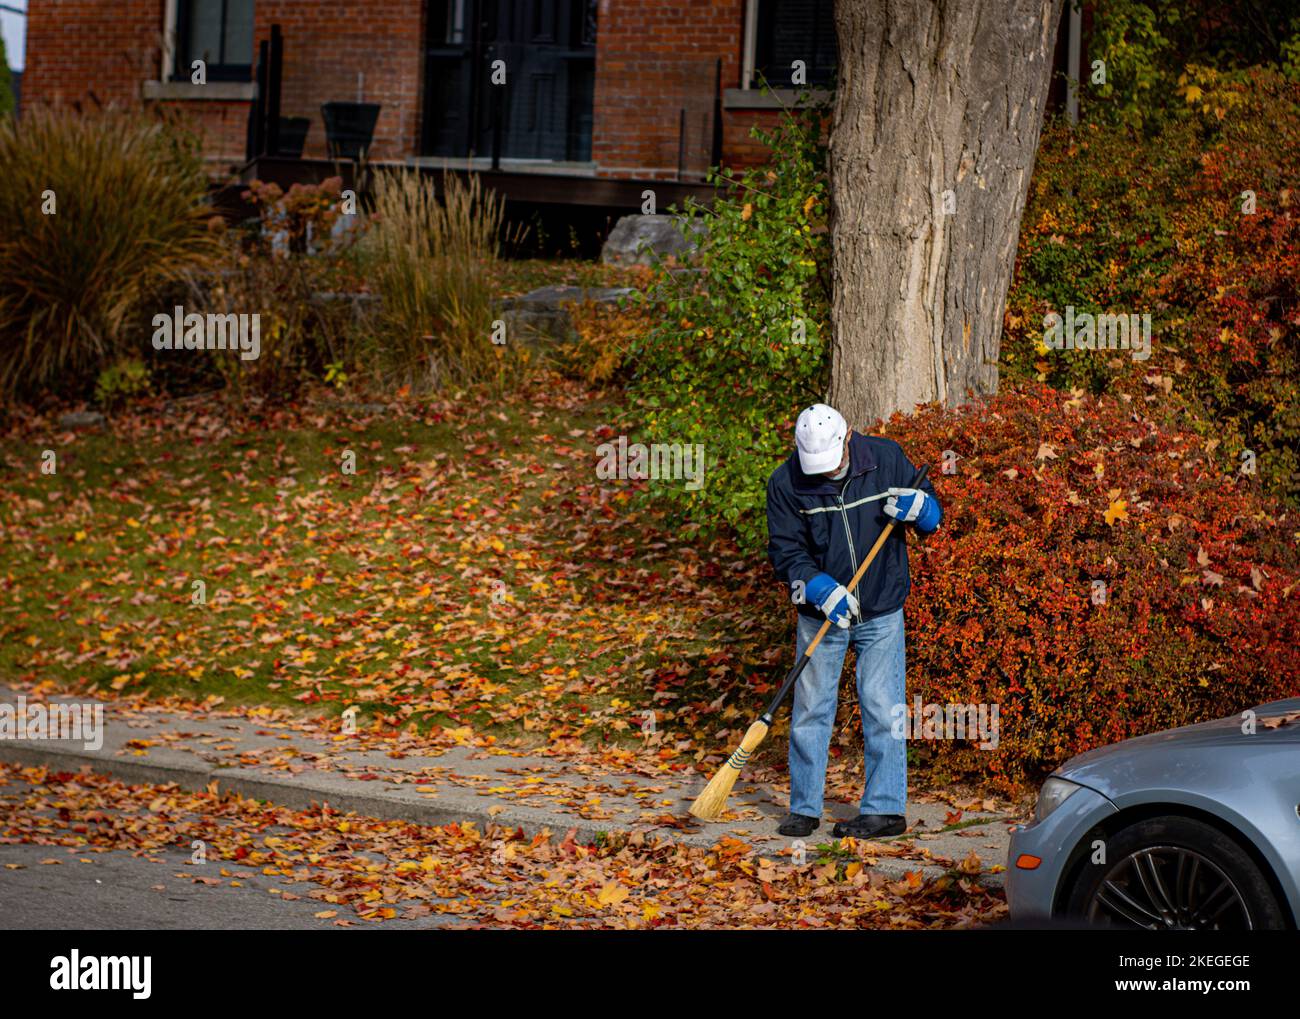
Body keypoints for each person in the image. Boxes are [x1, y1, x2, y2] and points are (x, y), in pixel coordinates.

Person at [765, 403, 941, 838]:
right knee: (811, 710)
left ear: (848, 439)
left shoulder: (886, 458)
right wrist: (820, 590)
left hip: (880, 605)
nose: (825, 474)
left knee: (882, 708)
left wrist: (924, 510)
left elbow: (931, 517)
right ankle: (805, 808)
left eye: (832, 462)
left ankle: (884, 811)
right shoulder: (786, 482)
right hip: (820, 614)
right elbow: (786, 554)